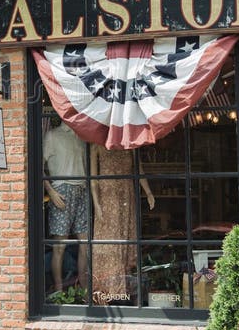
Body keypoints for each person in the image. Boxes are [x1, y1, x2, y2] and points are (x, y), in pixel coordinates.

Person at [90, 146, 155, 301]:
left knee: (125, 242)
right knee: (108, 244)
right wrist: (97, 204)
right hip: (107, 200)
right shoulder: (96, 146)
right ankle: (106, 291)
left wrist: (149, 192)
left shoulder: (130, 146)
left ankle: (123, 291)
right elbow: (93, 180)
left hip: (126, 197)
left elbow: (139, 172)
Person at [43, 119, 88, 293]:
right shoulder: (53, 135)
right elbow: (37, 165)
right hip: (62, 190)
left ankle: (84, 287)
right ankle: (59, 289)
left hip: (82, 189)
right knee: (59, 246)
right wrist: (51, 192)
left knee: (85, 243)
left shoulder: (82, 137)